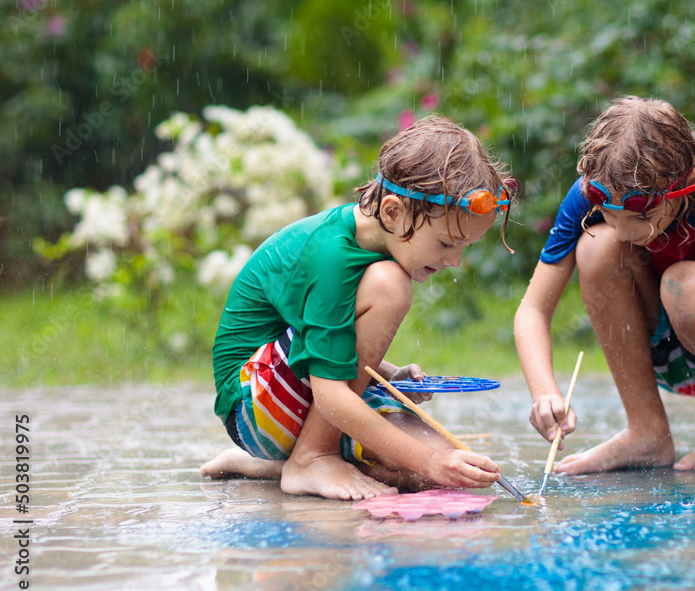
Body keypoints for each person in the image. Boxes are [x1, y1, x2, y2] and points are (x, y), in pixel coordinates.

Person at [200, 115, 512, 500]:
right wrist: (428, 458)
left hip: (294, 392)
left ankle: (277, 464)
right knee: (391, 287)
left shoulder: (379, 241)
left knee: (445, 474)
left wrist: (389, 375)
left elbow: (322, 341)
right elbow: (329, 390)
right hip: (253, 404)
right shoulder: (332, 255)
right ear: (394, 212)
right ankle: (312, 458)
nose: (455, 261)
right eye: (447, 243)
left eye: (465, 246)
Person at [514, 96, 695, 498]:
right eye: (611, 214)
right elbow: (532, 311)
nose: (625, 230)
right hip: (670, 349)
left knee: (685, 282)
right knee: (596, 246)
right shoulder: (591, 194)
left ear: (691, 182)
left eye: (641, 218)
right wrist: (544, 392)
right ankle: (646, 430)